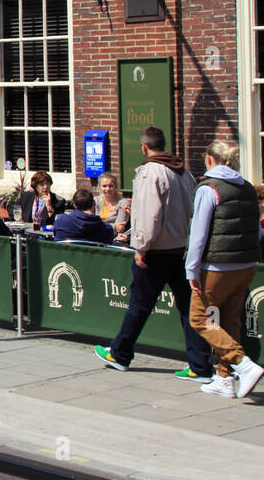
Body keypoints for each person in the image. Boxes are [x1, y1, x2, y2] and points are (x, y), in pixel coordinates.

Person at [94, 126, 215, 382]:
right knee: (187, 308)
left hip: (156, 250)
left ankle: (120, 354)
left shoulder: (150, 172)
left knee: (139, 304)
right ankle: (200, 366)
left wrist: (141, 247)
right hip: (180, 248)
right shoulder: (183, 171)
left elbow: (150, 215)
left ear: (144, 147)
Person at [185, 141, 264, 398]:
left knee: (200, 318)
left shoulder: (208, 188)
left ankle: (242, 364)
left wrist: (191, 269)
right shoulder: (248, 188)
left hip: (216, 266)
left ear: (209, 159)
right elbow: (258, 229)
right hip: (245, 263)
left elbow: (198, 234)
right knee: (229, 321)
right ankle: (224, 377)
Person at [96, 172, 131, 242]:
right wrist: (114, 226)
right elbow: (92, 225)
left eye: (111, 186)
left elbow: (119, 229)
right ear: (100, 187)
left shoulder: (123, 203)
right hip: (95, 238)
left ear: (116, 187)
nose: (108, 189)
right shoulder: (95, 201)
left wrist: (100, 225)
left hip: (112, 240)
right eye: (104, 186)